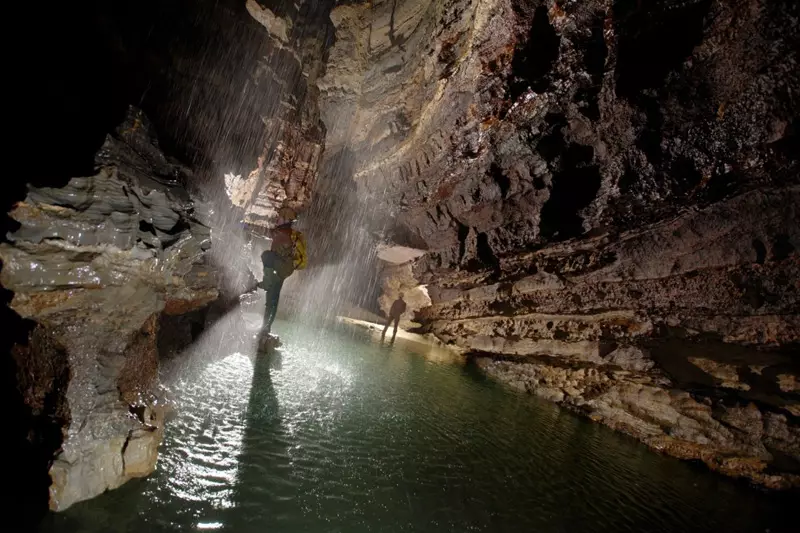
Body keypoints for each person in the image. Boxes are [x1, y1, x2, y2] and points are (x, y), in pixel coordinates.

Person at [258, 206, 307, 335]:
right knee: (273, 299)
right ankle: (266, 328)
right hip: (284, 269)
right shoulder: (289, 233)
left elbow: (264, 232)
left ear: (285, 219)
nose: (277, 219)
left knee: (266, 255)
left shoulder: (282, 233)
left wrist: (244, 227)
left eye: (279, 218)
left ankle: (267, 282)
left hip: (279, 269)